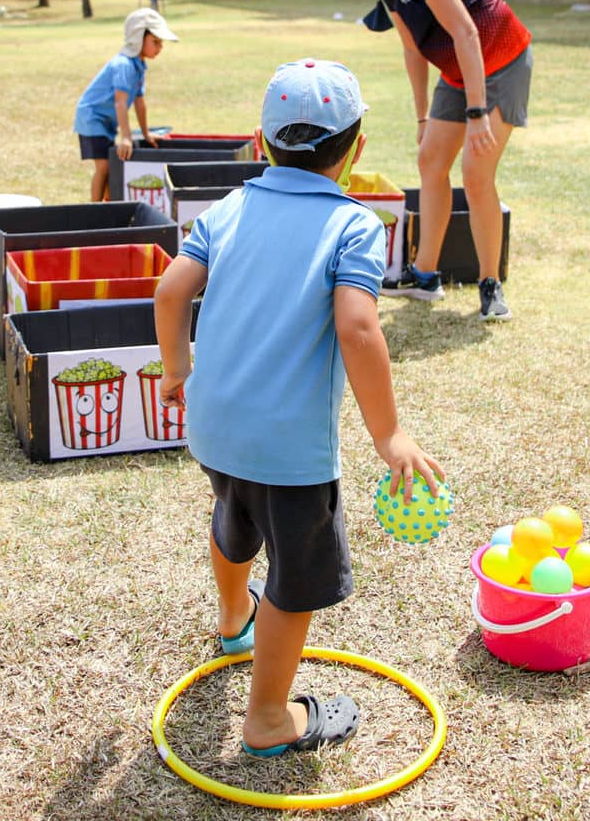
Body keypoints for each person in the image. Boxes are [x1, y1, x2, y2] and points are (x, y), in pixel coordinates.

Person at [152, 58, 442, 756]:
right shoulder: (353, 224)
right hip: (290, 451)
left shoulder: (230, 207)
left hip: (215, 428)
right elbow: (358, 326)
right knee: (297, 578)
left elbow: (169, 291)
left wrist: (176, 367)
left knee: (234, 513)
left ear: (260, 143)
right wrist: (390, 434)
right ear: (357, 150)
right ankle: (271, 719)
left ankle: (232, 618)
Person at [345, 0, 529, 321]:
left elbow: (466, 32)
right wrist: (422, 116)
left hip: (500, 62)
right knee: (430, 160)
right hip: (457, 71)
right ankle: (425, 275)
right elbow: (411, 49)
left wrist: (478, 112)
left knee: (475, 171)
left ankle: (490, 284)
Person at [72, 7, 177, 201]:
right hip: (93, 118)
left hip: (106, 123)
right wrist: (126, 137)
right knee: (103, 167)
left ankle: (110, 207)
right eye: (155, 42)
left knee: (111, 167)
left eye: (160, 43)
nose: (160, 47)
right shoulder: (124, 65)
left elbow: (139, 103)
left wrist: (146, 134)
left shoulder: (138, 66)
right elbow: (120, 103)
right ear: (138, 38)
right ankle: (92, 213)